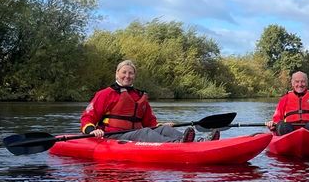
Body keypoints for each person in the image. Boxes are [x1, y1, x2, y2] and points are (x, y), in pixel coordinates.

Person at [80, 60, 219, 143]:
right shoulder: (106, 94)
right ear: (117, 73)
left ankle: (196, 143)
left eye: (131, 73)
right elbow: (87, 118)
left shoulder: (139, 95)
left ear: (134, 76)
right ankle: (177, 144)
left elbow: (150, 122)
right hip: (114, 135)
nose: (127, 76)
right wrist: (93, 131)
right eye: (124, 72)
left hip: (134, 133)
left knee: (165, 129)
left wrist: (161, 125)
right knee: (144, 132)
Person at [266, 71, 309, 135]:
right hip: (288, 132)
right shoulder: (284, 99)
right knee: (282, 126)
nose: (300, 84)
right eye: (297, 82)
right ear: (292, 83)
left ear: (307, 83)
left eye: (303, 81)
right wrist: (272, 124)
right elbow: (277, 119)